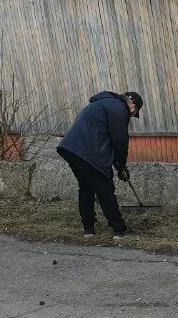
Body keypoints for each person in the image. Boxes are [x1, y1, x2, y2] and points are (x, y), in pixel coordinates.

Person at [57, 91, 143, 239]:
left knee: (86, 187)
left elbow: (107, 137)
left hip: (70, 148)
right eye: (133, 114)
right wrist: (121, 166)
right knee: (105, 188)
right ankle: (119, 230)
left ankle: (88, 229)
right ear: (133, 106)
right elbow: (120, 140)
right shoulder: (119, 108)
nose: (130, 117)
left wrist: (118, 165)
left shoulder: (102, 103)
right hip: (89, 150)